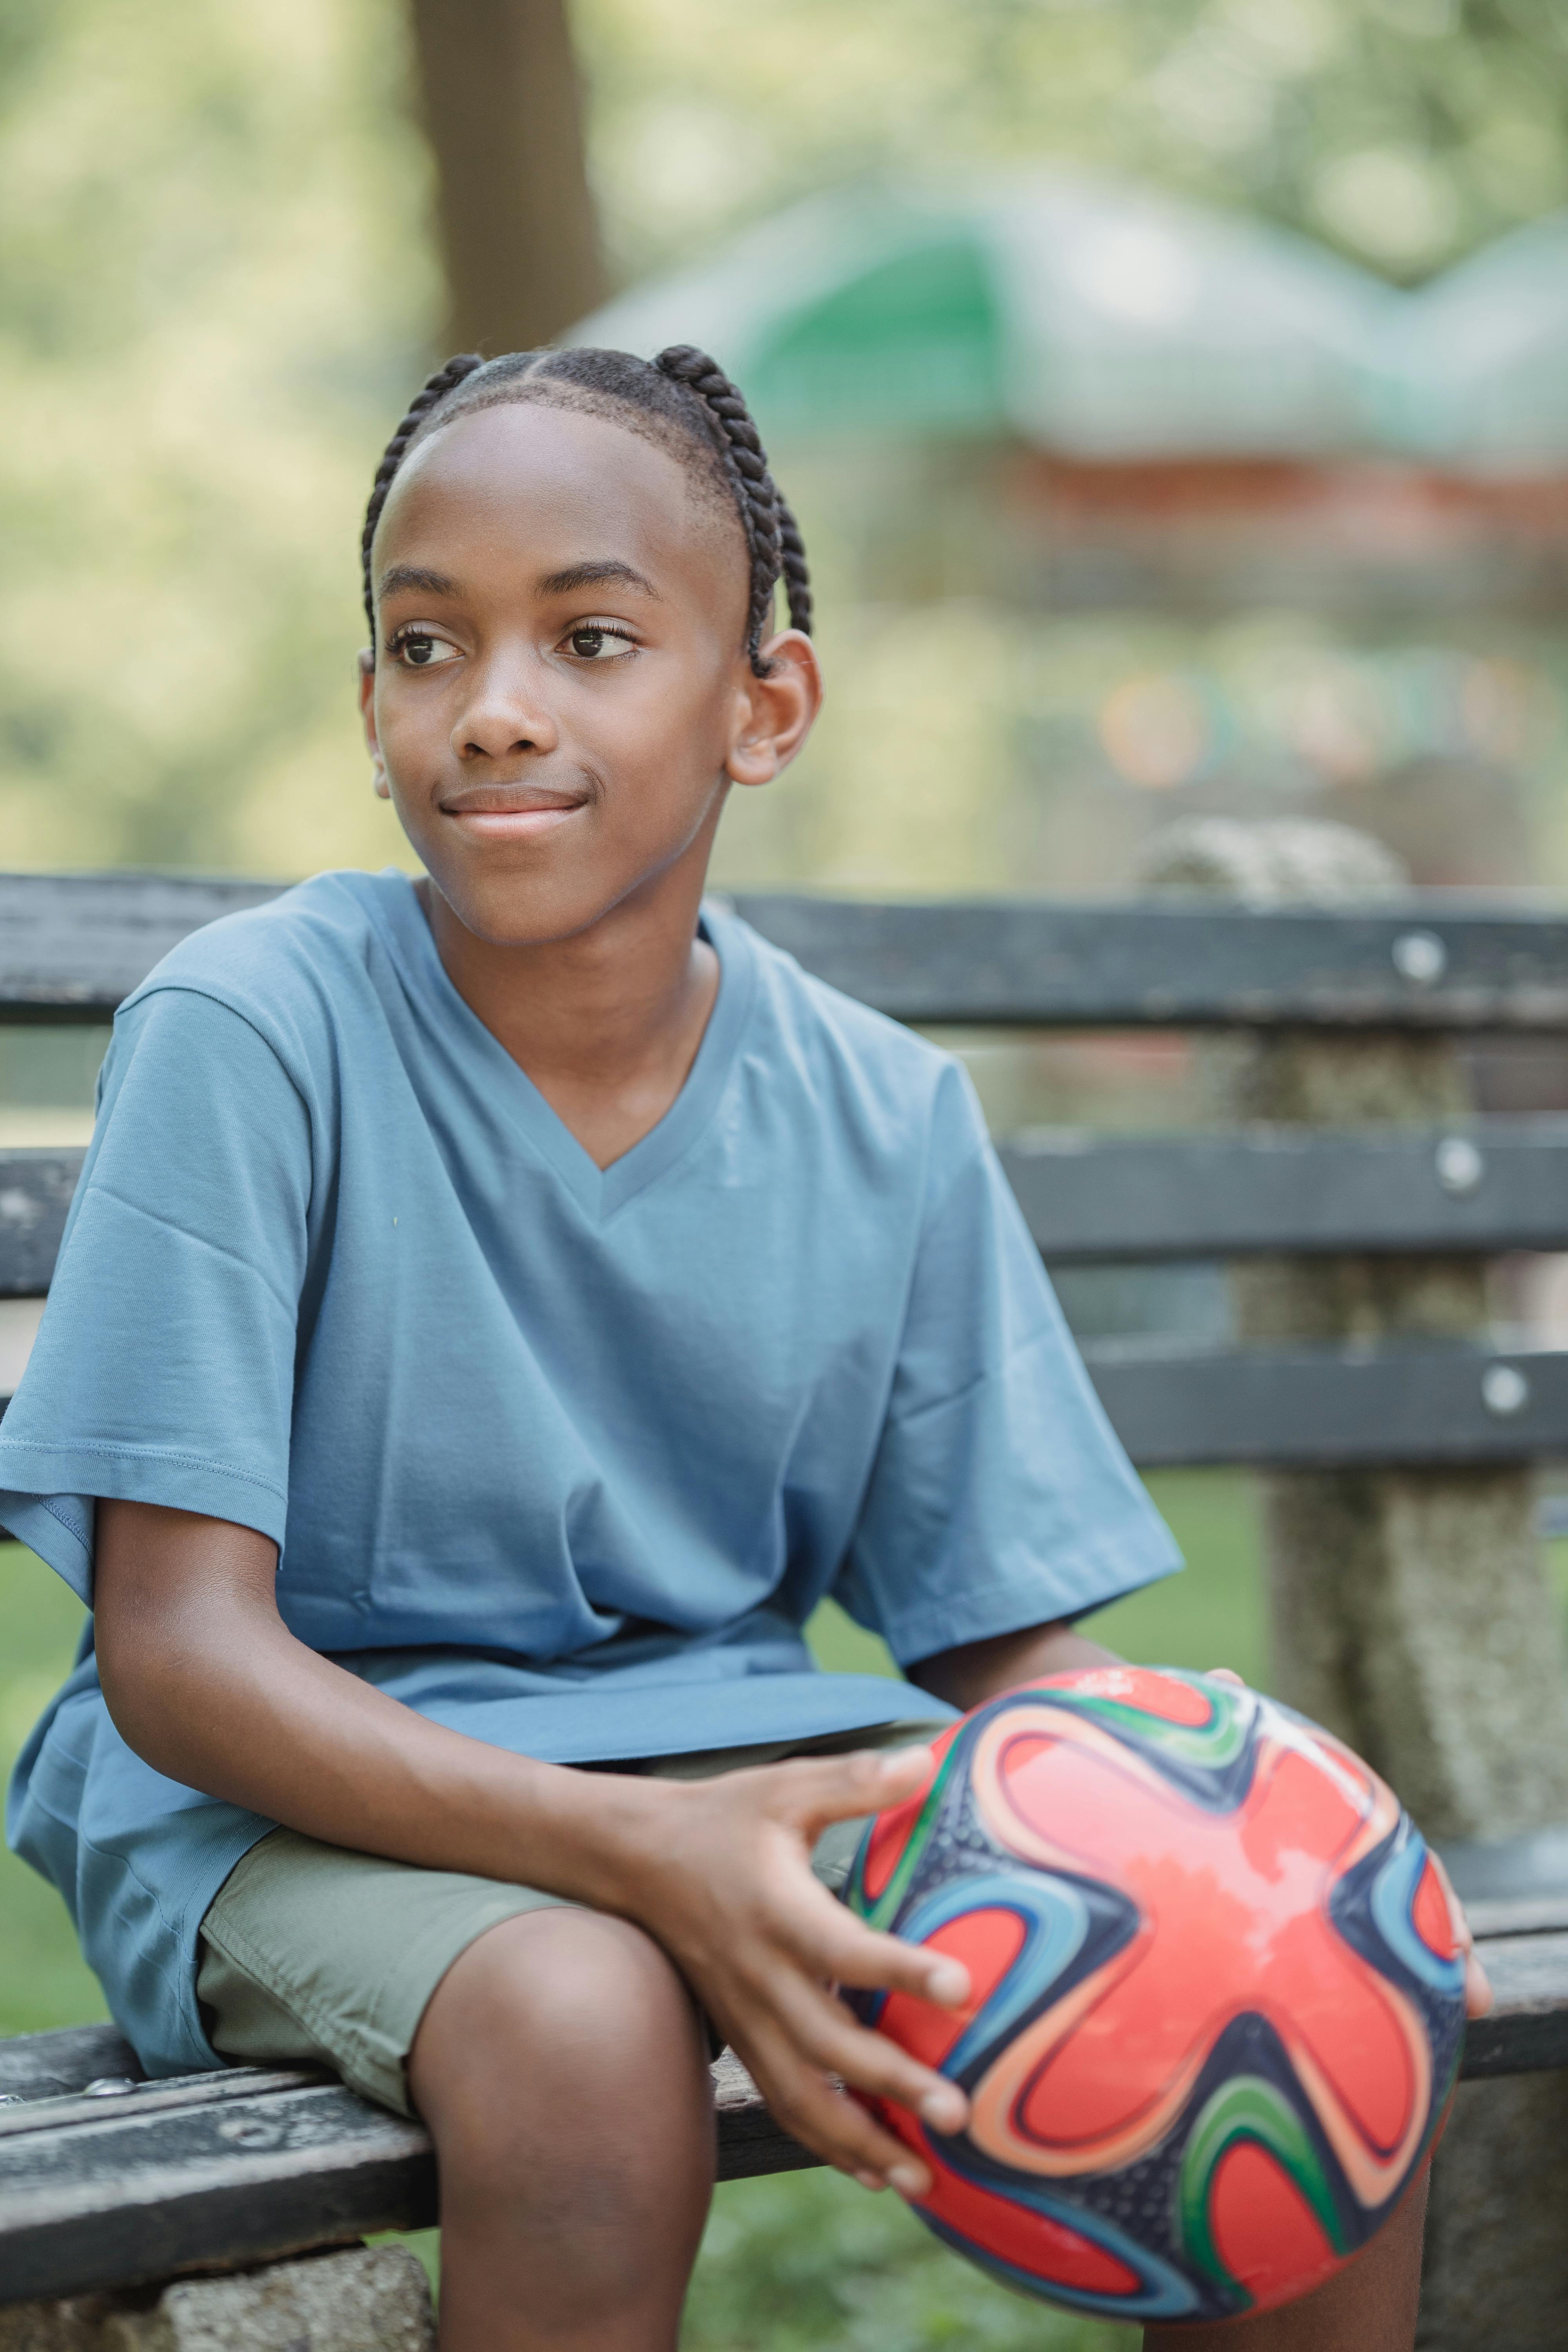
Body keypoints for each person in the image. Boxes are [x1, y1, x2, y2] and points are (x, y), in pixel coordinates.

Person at [1, 345, 1482, 2352]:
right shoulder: (253, 1032)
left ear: (760, 703)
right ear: (370, 709)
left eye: (591, 636)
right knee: (583, 2024)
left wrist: (1221, 1806)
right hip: (296, 1802)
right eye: (425, 647)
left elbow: (1001, 1638)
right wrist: (641, 1850)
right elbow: (180, 1661)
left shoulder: (881, 1109)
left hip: (733, 1768)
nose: (495, 708)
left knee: (1278, 1992)